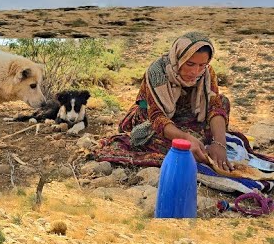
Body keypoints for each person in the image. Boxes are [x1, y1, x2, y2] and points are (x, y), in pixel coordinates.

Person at [94, 32, 234, 171]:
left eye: (202, 65)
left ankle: (196, 141)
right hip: (149, 115)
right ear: (178, 58)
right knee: (174, 147)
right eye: (190, 64)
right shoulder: (157, 72)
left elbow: (214, 106)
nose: (195, 71)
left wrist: (220, 143)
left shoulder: (206, 73)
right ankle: (191, 140)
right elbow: (157, 117)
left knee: (223, 102)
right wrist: (185, 138)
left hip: (185, 115)